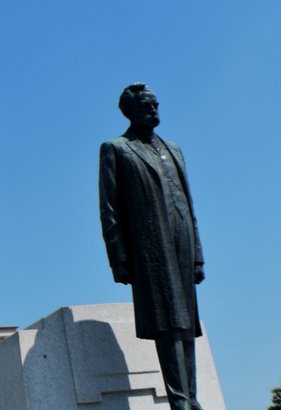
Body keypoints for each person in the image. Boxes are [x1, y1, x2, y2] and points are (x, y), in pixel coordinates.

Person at [99, 83, 206, 410]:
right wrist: (118, 258)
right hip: (149, 245)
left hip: (182, 239)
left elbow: (189, 203)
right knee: (166, 321)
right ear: (130, 111)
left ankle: (192, 396)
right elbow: (109, 207)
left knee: (187, 322)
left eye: (155, 105)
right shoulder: (117, 148)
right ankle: (179, 400)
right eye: (146, 106)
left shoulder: (174, 149)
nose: (153, 110)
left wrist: (198, 255)